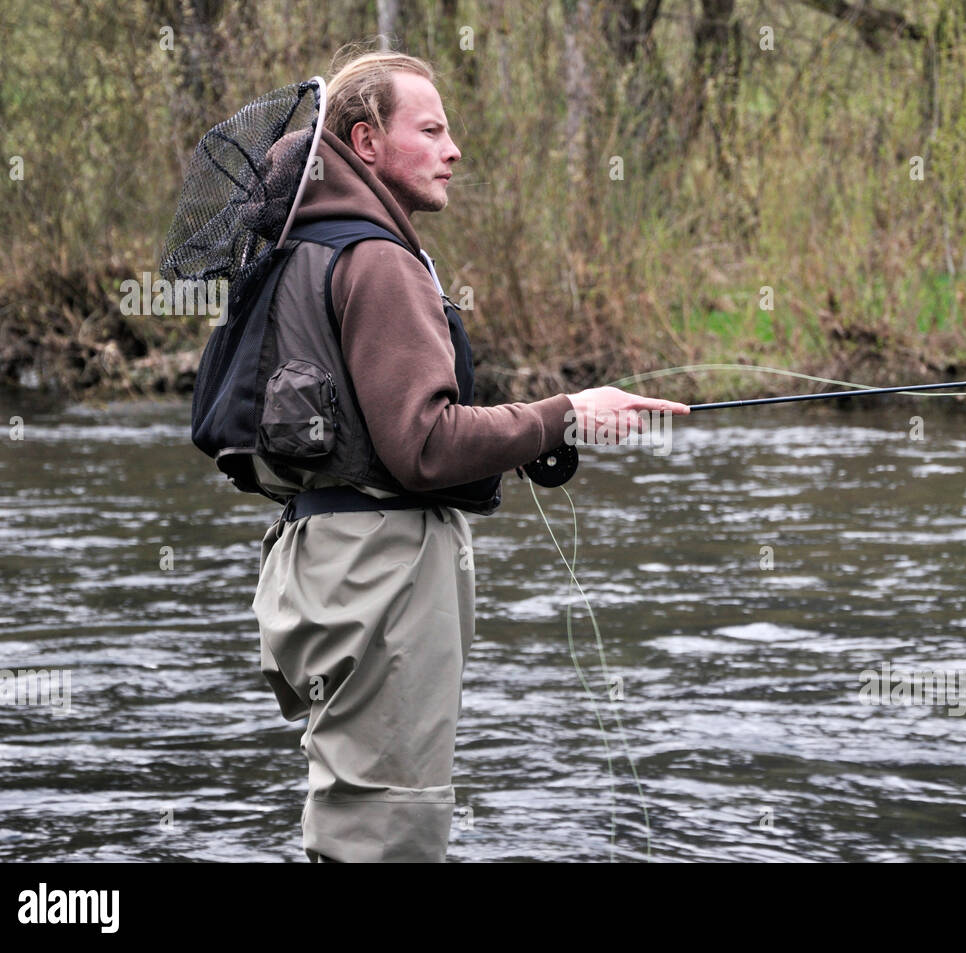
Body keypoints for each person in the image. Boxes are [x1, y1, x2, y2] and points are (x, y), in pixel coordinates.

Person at [250, 49, 689, 862]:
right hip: (380, 576)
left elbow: (368, 430)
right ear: (367, 143)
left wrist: (534, 439)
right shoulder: (378, 260)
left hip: (316, 561)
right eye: (432, 129)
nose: (454, 149)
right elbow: (423, 446)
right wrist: (566, 414)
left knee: (351, 817)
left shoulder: (302, 247)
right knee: (390, 831)